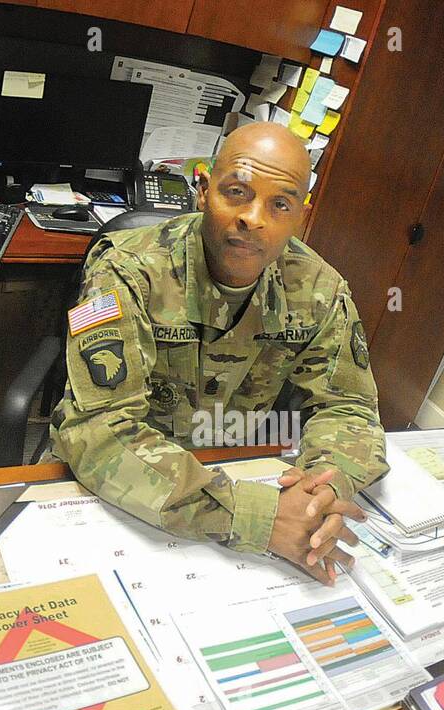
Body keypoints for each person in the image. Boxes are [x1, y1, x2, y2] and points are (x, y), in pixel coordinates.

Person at [48, 123, 387, 583]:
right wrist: (257, 517)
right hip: (122, 484)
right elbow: (99, 430)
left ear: (300, 218)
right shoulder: (127, 270)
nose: (253, 218)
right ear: (203, 190)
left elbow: (348, 408)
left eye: (280, 204)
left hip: (233, 462)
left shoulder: (320, 289)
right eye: (237, 192)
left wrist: (320, 493)